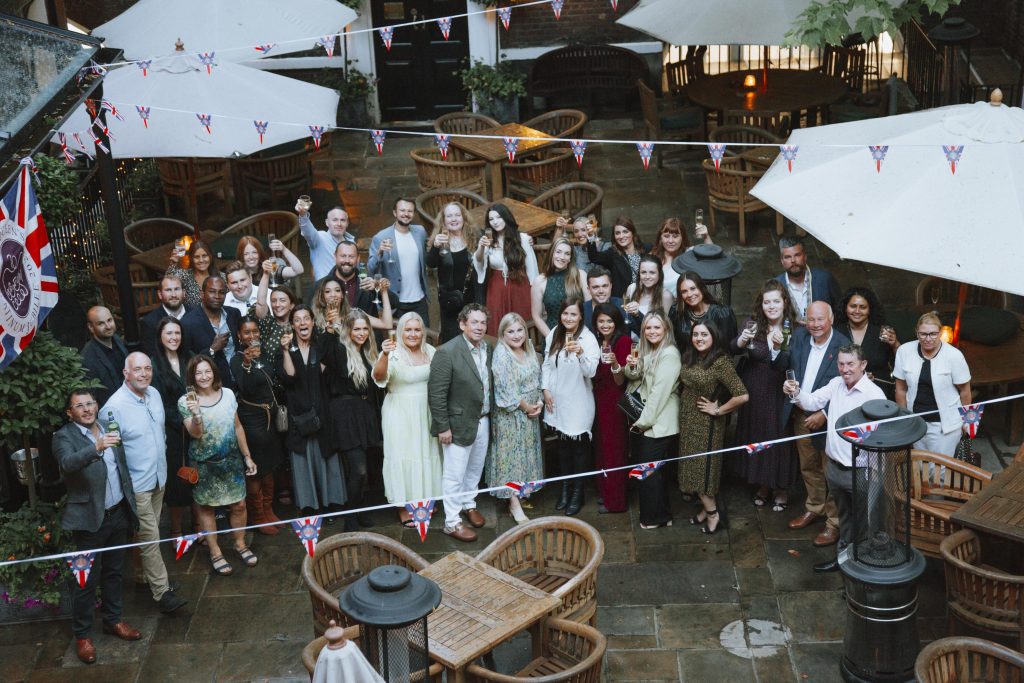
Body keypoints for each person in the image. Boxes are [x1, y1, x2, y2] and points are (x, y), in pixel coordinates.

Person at [53, 388, 141, 664]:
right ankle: (82, 636)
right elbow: (67, 463)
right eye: (80, 406)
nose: (87, 409)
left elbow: (121, 469)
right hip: (90, 520)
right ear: (70, 412)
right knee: (86, 580)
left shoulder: (107, 427)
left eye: (90, 403)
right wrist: (96, 447)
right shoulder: (63, 437)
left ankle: (113, 620)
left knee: (114, 572)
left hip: (118, 514)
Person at [784, 344, 886, 573]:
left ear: (863, 365)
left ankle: (862, 567)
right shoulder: (836, 384)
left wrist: (872, 471)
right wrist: (795, 392)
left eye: (850, 364)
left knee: (863, 523)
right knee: (844, 519)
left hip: (860, 470)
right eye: (841, 364)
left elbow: (879, 437)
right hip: (835, 468)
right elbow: (811, 402)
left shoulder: (874, 395)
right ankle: (843, 560)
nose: (845, 369)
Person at [101, 352, 187, 613]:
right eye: (137, 369)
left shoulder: (155, 395)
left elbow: (160, 432)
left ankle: (142, 576)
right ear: (126, 373)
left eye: (147, 368)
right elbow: (112, 454)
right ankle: (162, 592)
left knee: (144, 533)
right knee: (150, 536)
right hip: (136, 485)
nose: (144, 374)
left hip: (158, 477)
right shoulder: (113, 408)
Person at [773, 301, 850, 547]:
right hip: (800, 413)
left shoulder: (843, 345)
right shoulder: (799, 336)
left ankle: (834, 523)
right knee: (808, 466)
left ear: (831, 319)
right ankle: (814, 507)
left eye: (820, 319)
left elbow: (848, 385)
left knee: (832, 472)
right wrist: (777, 350)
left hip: (829, 419)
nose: (815, 325)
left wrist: (824, 413)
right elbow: (783, 365)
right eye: (811, 319)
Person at [180, 355, 258, 576]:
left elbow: (237, 427)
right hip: (205, 466)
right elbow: (196, 434)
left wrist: (247, 456)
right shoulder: (186, 401)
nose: (204, 376)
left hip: (231, 462)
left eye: (207, 371)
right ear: (192, 377)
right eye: (198, 373)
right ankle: (215, 552)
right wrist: (196, 414)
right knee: (207, 509)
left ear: (214, 372)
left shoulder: (228, 394)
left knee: (239, 505)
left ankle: (240, 544)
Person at [730, 281, 800, 512]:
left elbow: (787, 363)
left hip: (779, 390)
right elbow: (733, 348)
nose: (771, 306)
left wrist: (778, 349)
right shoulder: (753, 324)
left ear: (785, 302)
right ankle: (763, 484)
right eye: (766, 302)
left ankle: (780, 487)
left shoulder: (795, 329)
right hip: (755, 390)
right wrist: (742, 339)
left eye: (776, 301)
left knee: (778, 436)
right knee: (757, 435)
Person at [677, 321, 749, 534]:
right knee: (693, 470)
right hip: (689, 423)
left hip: (706, 426)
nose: (699, 338)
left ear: (714, 337)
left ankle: (714, 515)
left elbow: (742, 395)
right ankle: (705, 509)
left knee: (703, 473)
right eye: (696, 334)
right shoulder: (691, 357)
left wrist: (718, 410)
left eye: (704, 334)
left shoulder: (720, 362)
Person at [428, 304, 492, 542]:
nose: (479, 327)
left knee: (475, 468)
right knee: (454, 475)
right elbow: (436, 393)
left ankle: (469, 503)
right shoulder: (447, 352)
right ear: (462, 324)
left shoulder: (487, 348)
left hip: (482, 419)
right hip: (457, 424)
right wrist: (443, 426)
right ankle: (452, 522)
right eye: (474, 322)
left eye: (483, 322)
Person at [373, 312, 442, 527]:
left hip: (426, 410)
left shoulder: (430, 351)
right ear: (400, 332)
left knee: (426, 452)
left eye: (417, 329)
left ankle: (425, 499)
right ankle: (403, 506)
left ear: (423, 332)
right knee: (403, 455)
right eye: (408, 330)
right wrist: (384, 355)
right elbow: (379, 377)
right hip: (399, 412)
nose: (413, 334)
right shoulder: (391, 352)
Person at [277, 306, 344, 516]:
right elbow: (289, 378)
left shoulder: (320, 345)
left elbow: (334, 366)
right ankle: (309, 506)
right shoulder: (287, 349)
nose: (303, 323)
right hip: (299, 416)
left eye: (306, 318)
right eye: (298, 320)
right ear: (293, 325)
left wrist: (332, 331)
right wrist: (285, 351)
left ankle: (331, 504)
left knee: (327, 458)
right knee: (302, 460)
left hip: (323, 412)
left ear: (313, 322)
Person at [319, 308, 382, 529]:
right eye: (356, 329)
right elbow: (321, 354)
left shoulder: (369, 352)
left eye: (365, 329)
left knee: (366, 470)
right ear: (348, 330)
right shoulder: (339, 349)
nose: (361, 333)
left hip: (365, 413)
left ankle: (359, 510)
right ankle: (350, 518)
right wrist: (329, 330)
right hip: (345, 415)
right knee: (358, 469)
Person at [542, 298, 600, 516]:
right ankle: (565, 489)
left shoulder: (588, 338)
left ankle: (578, 492)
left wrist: (581, 353)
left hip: (578, 401)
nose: (568, 318)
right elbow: (547, 364)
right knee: (563, 448)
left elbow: (591, 372)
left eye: (573, 314)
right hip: (557, 400)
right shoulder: (555, 333)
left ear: (581, 316)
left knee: (579, 449)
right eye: (565, 313)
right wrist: (545, 389)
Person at [624, 311, 681, 528]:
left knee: (648, 472)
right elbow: (633, 376)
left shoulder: (669, 354)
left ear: (666, 329)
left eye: (657, 327)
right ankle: (663, 516)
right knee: (654, 472)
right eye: (648, 328)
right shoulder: (651, 350)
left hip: (659, 422)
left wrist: (642, 423)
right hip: (651, 420)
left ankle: (653, 519)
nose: (652, 331)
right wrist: (632, 364)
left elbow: (658, 394)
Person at [487, 312, 543, 524]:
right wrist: (527, 407)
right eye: (510, 331)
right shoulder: (502, 355)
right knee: (511, 458)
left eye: (520, 330)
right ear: (502, 334)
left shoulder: (528, 347)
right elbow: (506, 391)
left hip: (530, 412)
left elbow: (537, 377)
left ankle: (521, 492)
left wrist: (539, 402)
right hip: (511, 416)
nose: (517, 335)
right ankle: (513, 502)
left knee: (525, 455)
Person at [231, 319, 285, 536]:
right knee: (255, 469)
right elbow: (246, 387)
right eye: (246, 332)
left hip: (269, 418)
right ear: (239, 336)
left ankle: (268, 510)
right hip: (252, 420)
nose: (252, 336)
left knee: (269, 465)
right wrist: (247, 364)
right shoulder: (237, 359)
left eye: (255, 331)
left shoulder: (263, 355)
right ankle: (258, 516)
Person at [893, 312, 972, 456]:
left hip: (944, 426)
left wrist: (967, 421)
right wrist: (904, 419)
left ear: (940, 332)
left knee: (940, 468)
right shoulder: (904, 351)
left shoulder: (954, 355)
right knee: (918, 465)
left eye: (933, 334)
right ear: (917, 333)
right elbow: (900, 389)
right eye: (923, 334)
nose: (928, 339)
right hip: (915, 422)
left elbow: (965, 391)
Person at [150, 317, 197, 543]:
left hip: (196, 427)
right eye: (169, 333)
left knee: (197, 476)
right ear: (160, 337)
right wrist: (182, 420)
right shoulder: (154, 365)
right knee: (177, 482)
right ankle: (176, 530)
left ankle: (198, 525)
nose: (173, 337)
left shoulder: (190, 357)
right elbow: (158, 404)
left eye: (177, 333)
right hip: (173, 431)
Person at [473, 203, 539, 336]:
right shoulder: (488, 240)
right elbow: (479, 262)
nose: (495, 222)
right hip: (496, 287)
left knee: (521, 321)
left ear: (506, 217)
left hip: (519, 284)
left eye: (499, 217)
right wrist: (481, 247)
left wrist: (536, 293)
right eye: (491, 219)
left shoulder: (523, 239)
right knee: (497, 323)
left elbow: (532, 269)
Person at [592, 303, 632, 514]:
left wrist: (615, 363)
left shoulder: (623, 342)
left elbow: (620, 381)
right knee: (601, 448)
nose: (605, 325)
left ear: (616, 322)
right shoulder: (596, 342)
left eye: (609, 321)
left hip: (614, 401)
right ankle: (605, 492)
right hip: (597, 399)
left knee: (614, 449)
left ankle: (616, 501)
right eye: (601, 321)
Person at [369, 197, 431, 324]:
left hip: (419, 299)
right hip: (396, 302)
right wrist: (379, 252)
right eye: (402, 210)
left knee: (425, 334)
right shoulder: (381, 237)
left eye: (410, 211)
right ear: (395, 212)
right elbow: (370, 269)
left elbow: (429, 253)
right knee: (398, 336)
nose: (406, 214)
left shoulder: (420, 232)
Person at [426, 202, 478, 343]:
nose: (454, 219)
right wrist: (435, 247)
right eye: (449, 216)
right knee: (452, 340)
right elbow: (430, 263)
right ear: (443, 221)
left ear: (463, 218)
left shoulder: (474, 236)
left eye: (457, 215)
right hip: (450, 300)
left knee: (472, 337)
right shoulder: (440, 240)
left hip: (472, 298)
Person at [834, 286, 900, 392]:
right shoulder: (836, 331)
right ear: (845, 308)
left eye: (863, 307)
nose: (857, 311)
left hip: (879, 390)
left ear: (870, 309)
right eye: (853, 306)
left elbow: (900, 366)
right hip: (844, 390)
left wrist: (895, 345)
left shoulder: (884, 331)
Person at [180, 276, 241, 390]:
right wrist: (212, 349)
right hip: (212, 388)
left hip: (241, 383)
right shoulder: (188, 323)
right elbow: (187, 362)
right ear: (202, 294)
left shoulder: (233, 314)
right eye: (212, 291)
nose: (217, 296)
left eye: (221, 292)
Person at [775, 236, 843, 323]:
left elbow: (840, 310)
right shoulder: (776, 285)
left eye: (797, 255)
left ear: (805, 256)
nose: (793, 260)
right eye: (787, 257)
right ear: (782, 260)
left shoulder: (824, 278)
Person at [531, 236, 589, 338]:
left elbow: (589, 309)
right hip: (553, 334)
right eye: (558, 252)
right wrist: (551, 338)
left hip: (580, 334)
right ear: (551, 253)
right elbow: (536, 316)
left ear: (570, 258)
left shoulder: (581, 276)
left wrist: (583, 335)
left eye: (567, 254)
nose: (562, 257)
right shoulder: (539, 281)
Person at [669, 271, 737, 352]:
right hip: (685, 359)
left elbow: (730, 348)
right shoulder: (676, 311)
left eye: (693, 288)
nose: (689, 294)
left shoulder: (721, 313)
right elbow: (671, 341)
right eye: (684, 291)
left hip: (715, 359)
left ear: (701, 288)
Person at [309, 241, 381, 312]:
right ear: (335, 256)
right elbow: (310, 314)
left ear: (358, 258)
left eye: (351, 256)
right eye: (343, 256)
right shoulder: (319, 286)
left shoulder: (369, 282)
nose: (347, 260)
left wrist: (380, 289)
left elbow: (388, 305)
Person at [586, 215, 647, 298]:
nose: (621, 236)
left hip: (645, 298)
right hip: (623, 301)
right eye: (617, 233)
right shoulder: (613, 254)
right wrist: (591, 237)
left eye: (625, 232)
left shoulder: (646, 249)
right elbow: (594, 257)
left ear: (632, 232)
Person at [311, 276, 392, 334]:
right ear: (322, 296)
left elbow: (387, 324)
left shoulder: (354, 314)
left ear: (342, 295)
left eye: (337, 290)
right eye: (327, 291)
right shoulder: (314, 320)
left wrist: (383, 291)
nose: (333, 295)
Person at [81, 306, 128, 405]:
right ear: (91, 327)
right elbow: (92, 395)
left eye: (109, 320)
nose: (108, 326)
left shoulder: (117, 340)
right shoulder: (87, 358)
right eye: (101, 323)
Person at [650, 217, 710, 297]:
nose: (670, 241)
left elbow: (711, 255)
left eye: (675, 236)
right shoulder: (653, 257)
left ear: (682, 238)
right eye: (666, 236)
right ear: (661, 238)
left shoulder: (689, 253)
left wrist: (706, 236)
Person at [297, 202, 357, 282]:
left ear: (347, 223)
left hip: (349, 287)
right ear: (327, 222)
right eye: (335, 220)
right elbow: (307, 231)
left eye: (342, 220)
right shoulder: (320, 238)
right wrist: (303, 215)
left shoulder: (352, 243)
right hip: (325, 287)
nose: (339, 224)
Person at [140, 275, 190, 355]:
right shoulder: (150, 322)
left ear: (184, 293)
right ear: (160, 294)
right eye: (168, 290)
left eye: (177, 289)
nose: (173, 295)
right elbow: (152, 356)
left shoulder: (196, 313)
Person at [624, 255, 674, 335]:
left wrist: (638, 315)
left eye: (652, 272)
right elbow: (626, 319)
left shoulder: (666, 296)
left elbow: (665, 329)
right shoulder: (632, 289)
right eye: (643, 272)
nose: (647, 277)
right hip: (631, 340)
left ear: (659, 274)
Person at [235, 234, 303, 288]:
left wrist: (284, 249)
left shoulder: (268, 266)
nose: (251, 257)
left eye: (254, 252)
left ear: (259, 253)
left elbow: (298, 271)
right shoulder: (237, 273)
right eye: (246, 254)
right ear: (241, 256)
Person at [168, 239, 219, 309]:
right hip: (191, 315)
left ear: (210, 256)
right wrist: (173, 263)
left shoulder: (220, 277)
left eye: (204, 256)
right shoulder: (185, 276)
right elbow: (167, 284)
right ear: (191, 258)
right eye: (197, 257)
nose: (201, 260)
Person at [254, 282, 297, 360]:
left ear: (292, 305)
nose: (277, 305)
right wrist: (266, 275)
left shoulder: (299, 325)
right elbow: (260, 303)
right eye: (273, 301)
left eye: (282, 300)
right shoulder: (267, 323)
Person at [583, 265, 628, 330]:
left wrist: (637, 314)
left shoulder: (623, 305)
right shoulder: (582, 310)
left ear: (611, 286)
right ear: (588, 289)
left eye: (604, 286)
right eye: (596, 287)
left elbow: (641, 330)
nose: (601, 291)